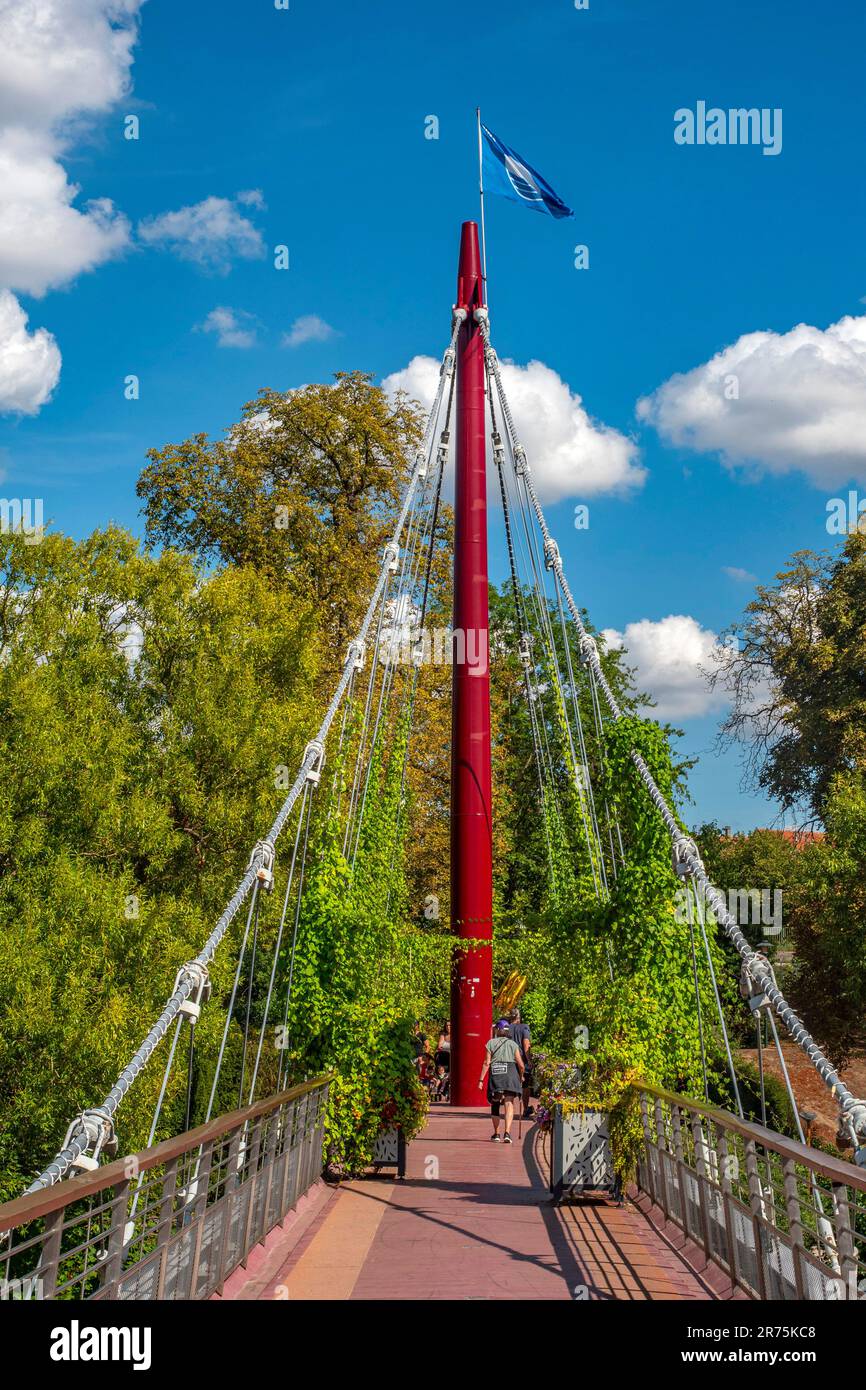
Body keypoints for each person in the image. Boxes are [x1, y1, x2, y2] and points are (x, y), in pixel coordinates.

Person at [478, 1018, 525, 1143]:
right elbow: (521, 1065)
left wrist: (481, 1080)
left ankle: (496, 1134)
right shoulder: (513, 1044)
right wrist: (521, 1077)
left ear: (498, 1030)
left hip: (497, 1074)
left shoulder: (491, 1043)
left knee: (495, 1103)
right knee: (509, 1104)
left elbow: (486, 1063)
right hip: (510, 1075)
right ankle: (507, 1133)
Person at [508, 1008, 534, 1119]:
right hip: (522, 1060)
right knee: (525, 1086)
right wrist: (529, 1060)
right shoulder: (524, 1027)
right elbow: (526, 1044)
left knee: (511, 1085)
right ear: (519, 1017)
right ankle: (525, 1108)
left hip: (509, 1059)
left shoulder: (506, 1028)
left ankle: (510, 1109)